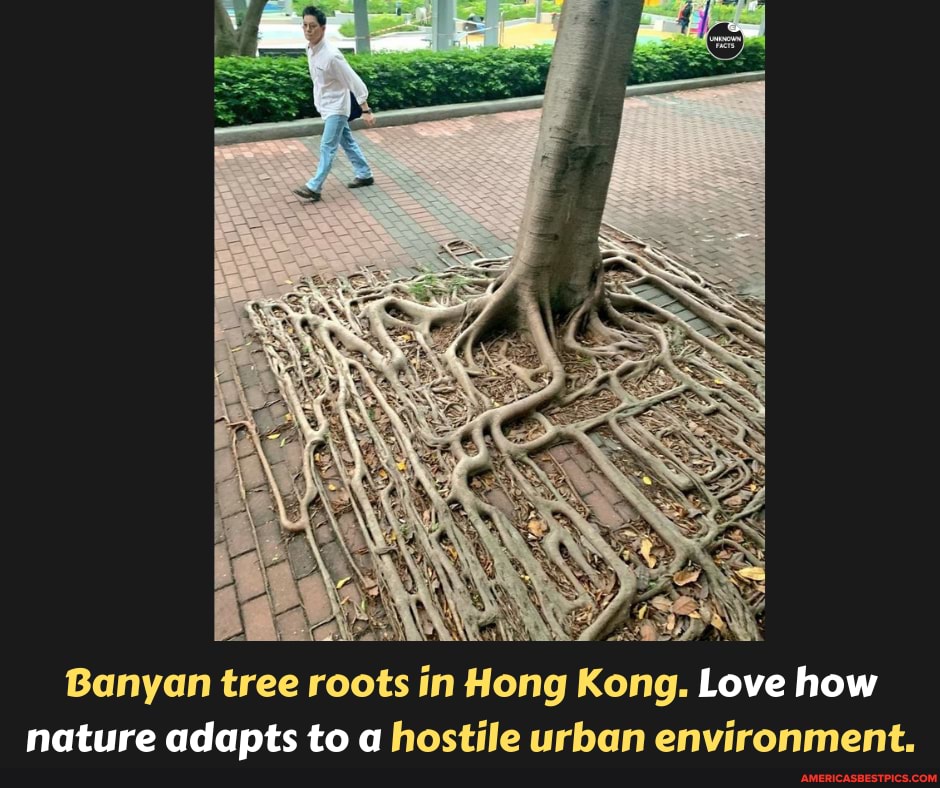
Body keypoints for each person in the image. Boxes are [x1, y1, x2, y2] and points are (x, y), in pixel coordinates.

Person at [292, 6, 377, 203]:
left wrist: (366, 109)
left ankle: (314, 186)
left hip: (337, 108)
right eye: (304, 25)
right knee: (346, 141)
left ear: (323, 28)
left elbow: (355, 82)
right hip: (325, 104)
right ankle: (365, 174)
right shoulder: (311, 49)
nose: (308, 30)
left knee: (327, 146)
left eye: (313, 26)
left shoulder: (332, 55)